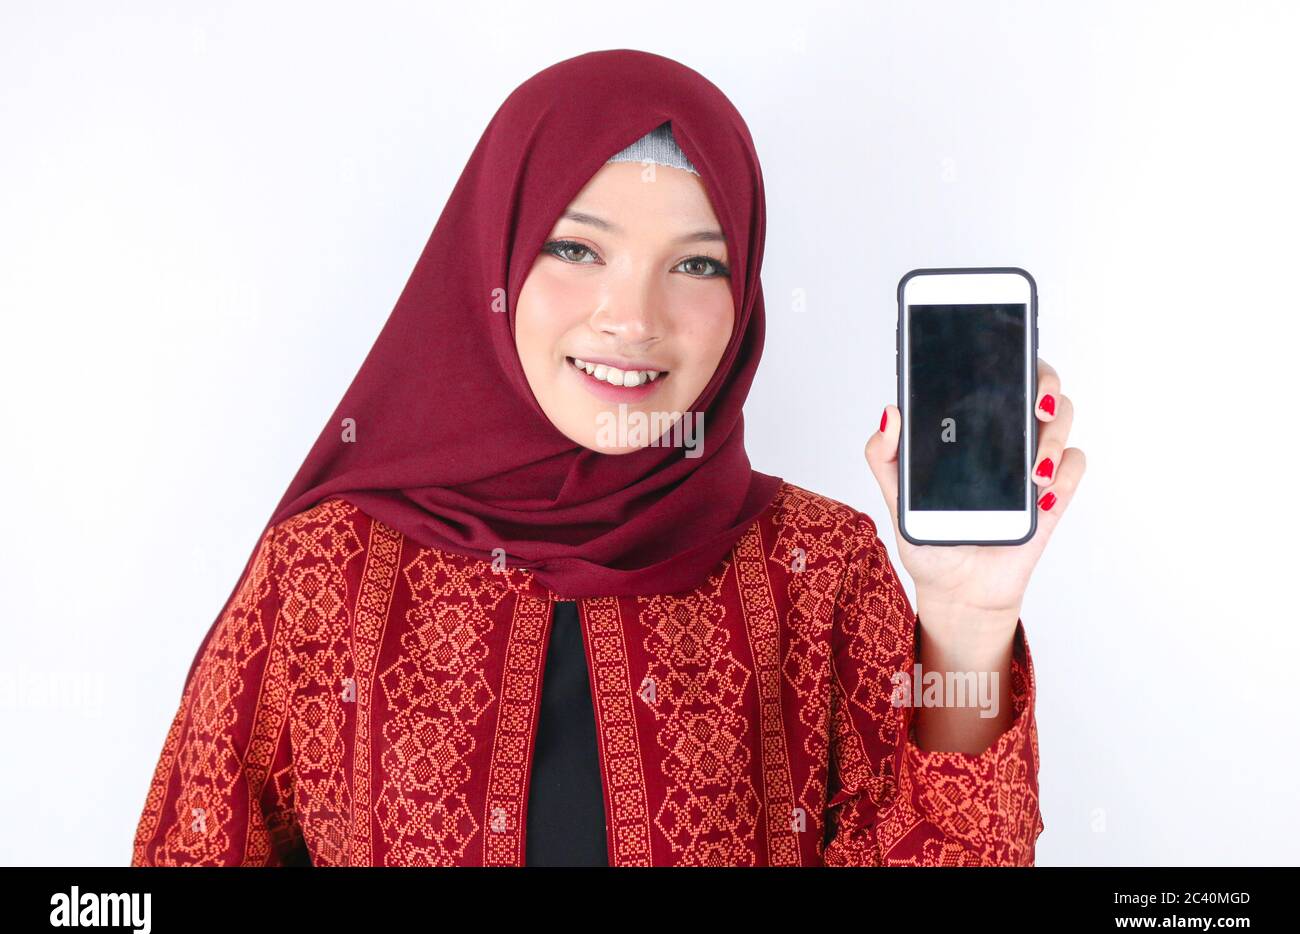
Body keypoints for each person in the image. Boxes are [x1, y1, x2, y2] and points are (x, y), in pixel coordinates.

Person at [131, 48, 1083, 867]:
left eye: (699, 264)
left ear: (745, 291)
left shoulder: (820, 572)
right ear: (491, 261)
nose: (633, 318)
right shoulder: (323, 572)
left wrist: (965, 625)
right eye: (577, 249)